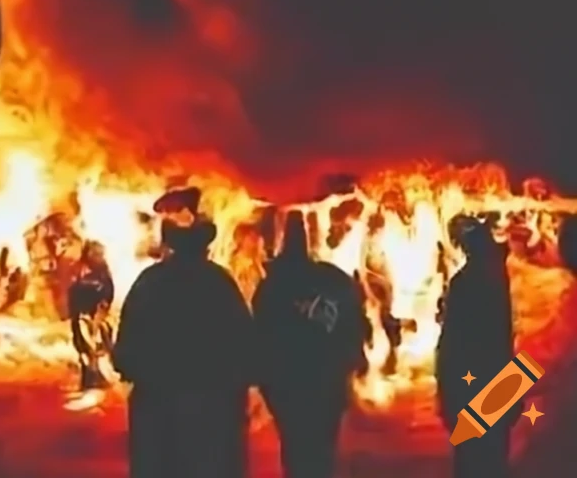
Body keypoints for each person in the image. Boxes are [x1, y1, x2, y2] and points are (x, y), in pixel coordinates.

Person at [112, 187, 255, 478]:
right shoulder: (219, 283)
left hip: (159, 404)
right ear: (204, 248)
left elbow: (126, 347)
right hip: (212, 406)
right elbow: (245, 343)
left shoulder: (150, 283)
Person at [252, 210, 368, 478]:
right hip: (323, 379)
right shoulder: (330, 280)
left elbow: (260, 334)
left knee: (296, 445)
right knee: (320, 446)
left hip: (289, 382)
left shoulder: (272, 287)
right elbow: (350, 321)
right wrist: (353, 356)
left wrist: (262, 375)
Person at [437, 215, 518, 478]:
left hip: (472, 382)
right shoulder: (501, 272)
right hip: (499, 377)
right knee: (493, 459)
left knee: (473, 460)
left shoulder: (467, 281)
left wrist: (446, 388)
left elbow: (454, 343)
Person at [68, 240, 116, 390]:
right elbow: (73, 295)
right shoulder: (79, 272)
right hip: (83, 316)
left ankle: (94, 376)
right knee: (86, 348)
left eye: (99, 254)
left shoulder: (102, 275)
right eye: (95, 253)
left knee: (95, 347)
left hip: (95, 317)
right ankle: (90, 377)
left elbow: (106, 298)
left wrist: (98, 319)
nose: (98, 256)